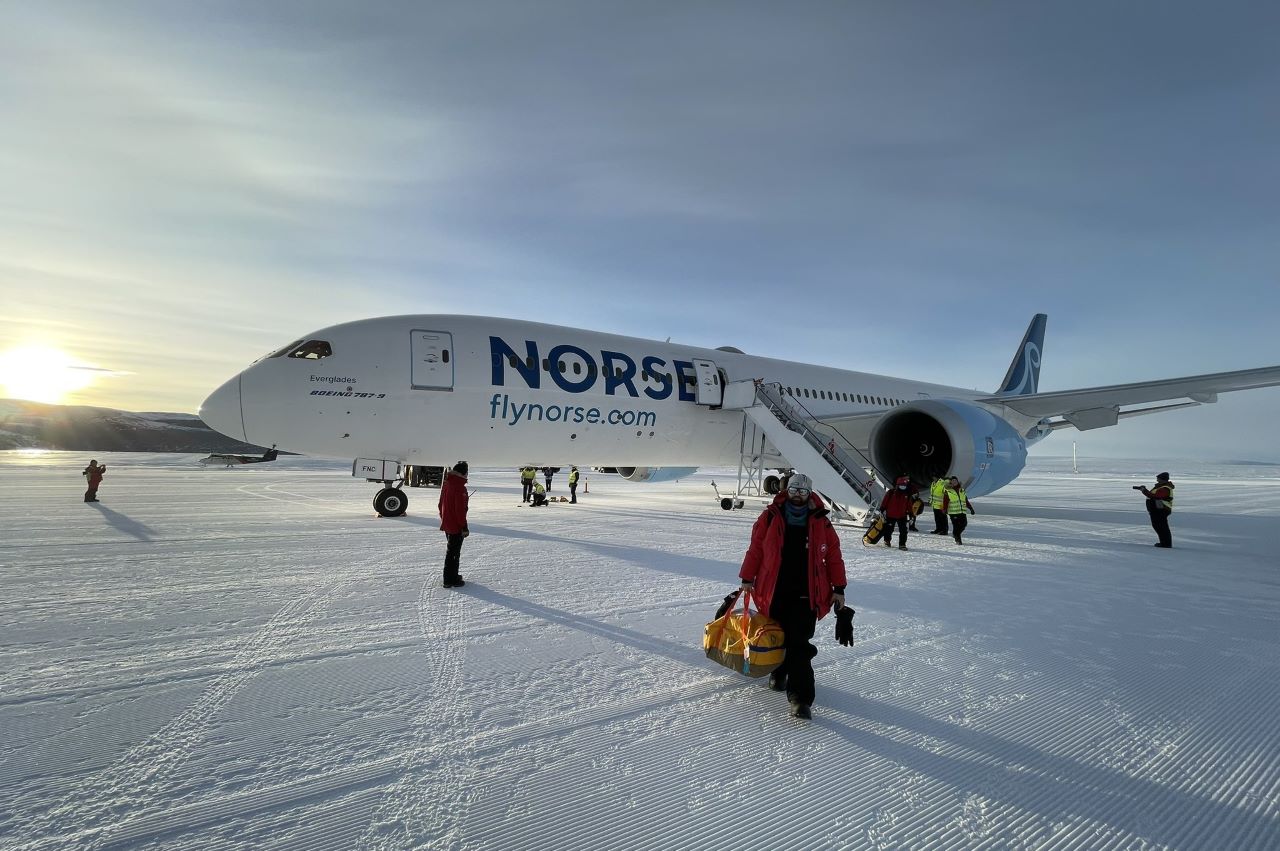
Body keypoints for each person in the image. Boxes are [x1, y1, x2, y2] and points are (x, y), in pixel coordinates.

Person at [738, 472, 848, 720]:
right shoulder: (769, 517)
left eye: (803, 491)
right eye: (794, 490)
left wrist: (839, 588)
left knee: (800, 645)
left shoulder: (821, 521)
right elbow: (755, 549)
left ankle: (801, 699)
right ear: (786, 491)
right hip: (774, 589)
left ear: (810, 494)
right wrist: (747, 578)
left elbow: (833, 556)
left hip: (807, 594)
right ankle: (778, 672)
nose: (798, 495)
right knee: (775, 636)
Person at [438, 461, 470, 587]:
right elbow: (460, 511)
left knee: (451, 552)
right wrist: (464, 526)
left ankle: (451, 576)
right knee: (453, 553)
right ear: (463, 473)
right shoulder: (460, 488)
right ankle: (450, 579)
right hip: (456, 526)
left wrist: (444, 518)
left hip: (447, 522)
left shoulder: (447, 483)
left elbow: (440, 504)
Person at [1135, 472, 1175, 548]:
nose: (1157, 480)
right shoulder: (1161, 487)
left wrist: (1144, 490)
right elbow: (1153, 495)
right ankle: (1164, 543)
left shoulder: (1165, 488)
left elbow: (1154, 496)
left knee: (1161, 527)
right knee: (1159, 526)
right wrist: (1144, 490)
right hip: (1157, 510)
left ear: (1162, 479)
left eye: (1158, 478)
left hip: (1161, 510)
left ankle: (1166, 544)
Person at [878, 475, 915, 550]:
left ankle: (902, 544)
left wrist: (911, 513)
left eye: (904, 485)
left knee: (903, 531)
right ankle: (887, 541)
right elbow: (885, 501)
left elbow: (909, 505)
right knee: (889, 529)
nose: (903, 487)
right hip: (891, 515)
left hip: (902, 515)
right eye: (901, 485)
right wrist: (882, 509)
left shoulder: (907, 494)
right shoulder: (891, 493)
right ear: (897, 485)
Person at [941, 476, 975, 545]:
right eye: (953, 481)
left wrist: (971, 508)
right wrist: (944, 509)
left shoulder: (961, 490)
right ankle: (958, 540)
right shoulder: (948, 491)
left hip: (962, 511)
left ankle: (955, 534)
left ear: (957, 481)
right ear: (951, 482)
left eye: (955, 480)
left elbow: (965, 500)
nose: (954, 482)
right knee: (956, 526)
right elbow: (945, 501)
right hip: (953, 512)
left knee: (964, 524)